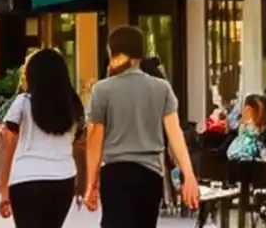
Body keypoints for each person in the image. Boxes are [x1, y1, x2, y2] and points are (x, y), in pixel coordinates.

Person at [85, 25, 199, 227]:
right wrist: (188, 175)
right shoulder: (161, 88)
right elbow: (175, 135)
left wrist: (91, 183)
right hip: (150, 175)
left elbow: (95, 137)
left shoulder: (102, 90)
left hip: (115, 173)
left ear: (115, 53)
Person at [0, 48, 84, 228]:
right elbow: (78, 142)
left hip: (26, 179)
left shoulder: (23, 102)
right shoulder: (73, 106)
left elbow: (9, 146)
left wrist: (4, 186)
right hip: (63, 179)